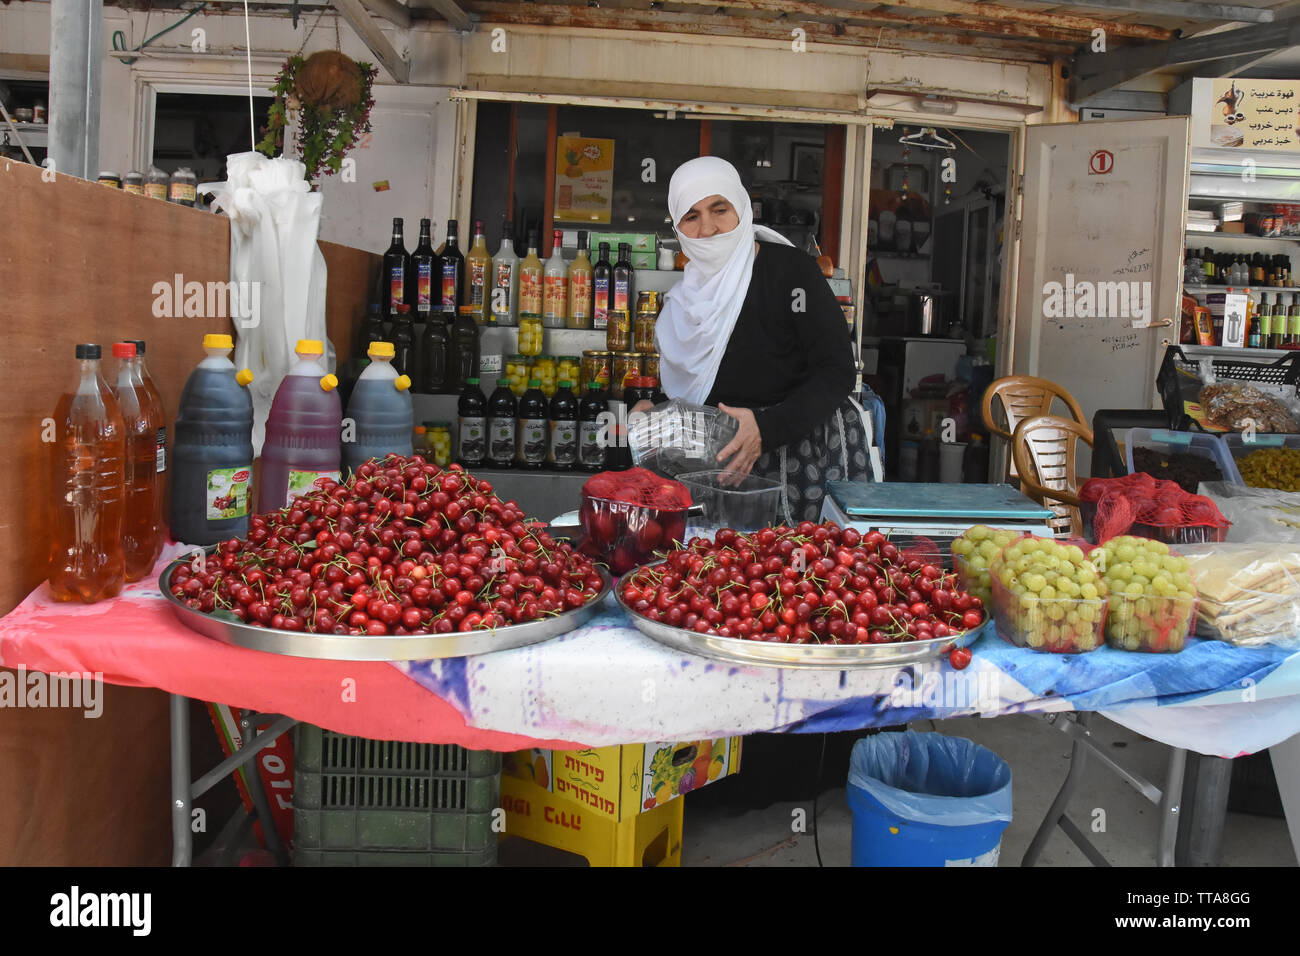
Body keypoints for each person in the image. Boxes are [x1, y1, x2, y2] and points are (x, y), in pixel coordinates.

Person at [648, 156, 872, 523]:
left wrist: (765, 430)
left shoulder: (790, 272)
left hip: (802, 459)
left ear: (741, 207)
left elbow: (836, 372)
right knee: (726, 575)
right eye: (691, 216)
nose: (708, 228)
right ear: (678, 228)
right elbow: (702, 382)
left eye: (720, 209)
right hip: (722, 468)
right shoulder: (683, 300)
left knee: (801, 574)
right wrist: (655, 408)